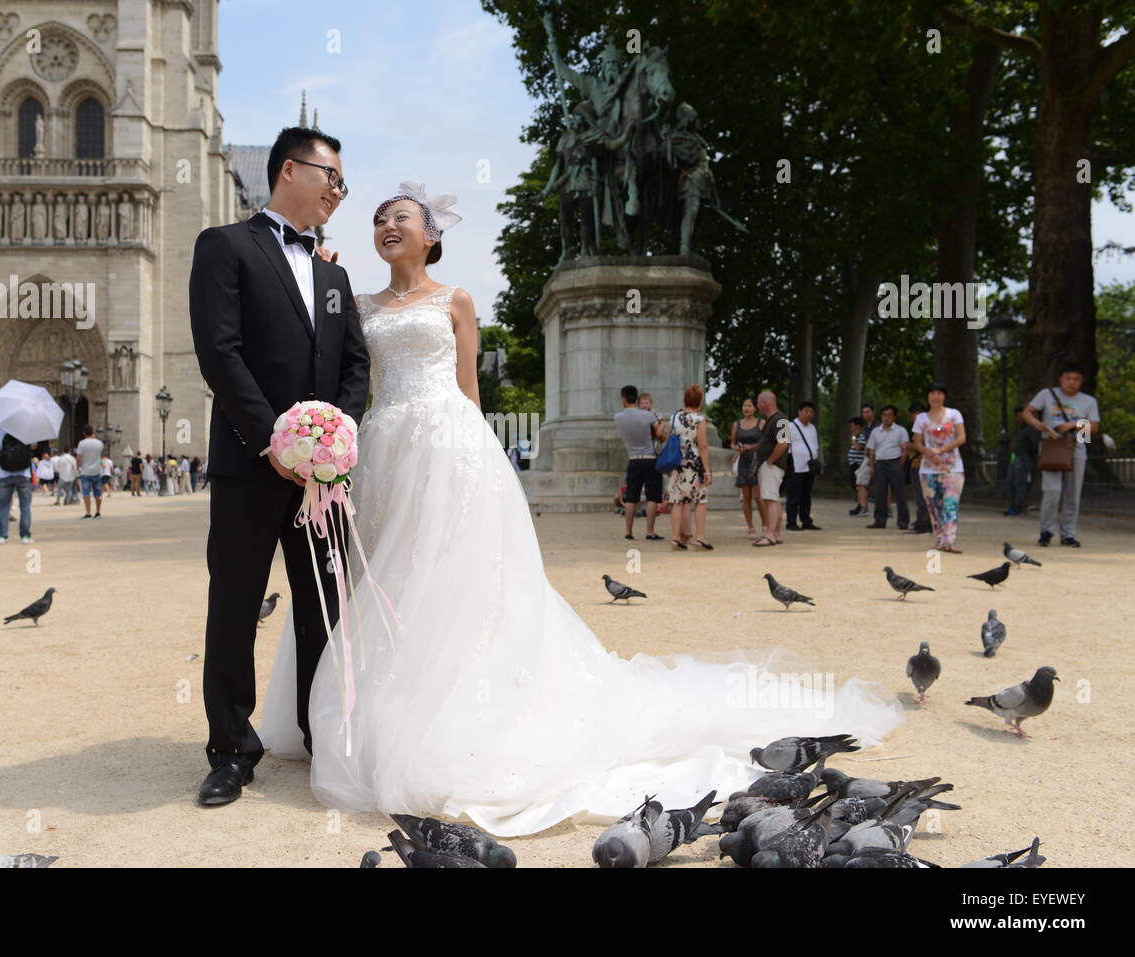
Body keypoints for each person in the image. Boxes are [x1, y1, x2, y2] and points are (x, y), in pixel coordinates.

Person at [256, 183, 902, 836]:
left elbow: (469, 390)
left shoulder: (456, 299)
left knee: (451, 578)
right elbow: (329, 362)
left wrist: (480, 464)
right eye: (378, 220)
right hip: (384, 448)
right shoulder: (357, 302)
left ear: (431, 235)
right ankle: (369, 712)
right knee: (380, 577)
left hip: (449, 447)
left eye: (400, 217)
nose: (386, 225)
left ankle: (453, 713)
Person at [189, 124, 370, 806]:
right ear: (291, 170)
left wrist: (333, 439)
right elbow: (220, 352)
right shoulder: (224, 246)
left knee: (325, 606)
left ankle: (323, 731)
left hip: (324, 479)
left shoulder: (334, 274)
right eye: (334, 178)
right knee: (234, 606)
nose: (339, 192)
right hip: (249, 463)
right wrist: (277, 442)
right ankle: (232, 747)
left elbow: (353, 364)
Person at [1022, 364, 1100, 547]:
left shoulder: (1088, 401)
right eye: (1068, 378)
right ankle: (1046, 530)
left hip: (1076, 445)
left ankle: (1068, 533)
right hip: (1052, 445)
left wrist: (1073, 425)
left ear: (1081, 381)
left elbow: (1093, 428)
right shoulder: (1047, 394)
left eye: (1076, 379)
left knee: (1073, 493)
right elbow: (1027, 412)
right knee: (1052, 490)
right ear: (1061, 379)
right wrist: (1038, 424)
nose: (1071, 382)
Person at [912, 383, 967, 552]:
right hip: (929, 468)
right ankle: (940, 538)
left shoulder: (954, 414)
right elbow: (917, 442)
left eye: (939, 393)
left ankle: (950, 540)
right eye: (932, 393)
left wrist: (941, 450)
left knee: (951, 504)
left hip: (952, 467)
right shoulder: (921, 418)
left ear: (944, 396)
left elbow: (961, 437)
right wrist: (930, 453)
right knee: (933, 506)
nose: (935, 397)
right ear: (928, 396)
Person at [614, 385, 666, 541]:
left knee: (631, 498)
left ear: (623, 399)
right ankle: (650, 532)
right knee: (652, 497)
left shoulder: (618, 417)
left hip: (633, 459)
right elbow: (660, 435)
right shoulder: (647, 416)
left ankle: (628, 532)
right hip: (650, 459)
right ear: (636, 399)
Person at [665, 384, 713, 550]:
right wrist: (707, 470)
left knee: (677, 500)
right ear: (699, 402)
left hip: (678, 463)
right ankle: (700, 538)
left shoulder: (674, 417)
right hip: (695, 465)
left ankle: (675, 538)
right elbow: (703, 446)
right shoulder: (700, 420)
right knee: (700, 500)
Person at [752, 391, 790, 547]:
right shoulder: (774, 420)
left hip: (772, 466)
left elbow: (783, 443)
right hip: (771, 465)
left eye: (759, 403)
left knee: (770, 499)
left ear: (765, 403)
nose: (758, 406)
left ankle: (769, 535)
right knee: (772, 499)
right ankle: (776, 533)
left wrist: (770, 461)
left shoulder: (781, 419)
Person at [864, 405, 909, 529]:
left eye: (889, 415)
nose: (886, 418)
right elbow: (872, 450)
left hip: (895, 462)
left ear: (894, 417)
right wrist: (872, 466)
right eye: (884, 415)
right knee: (880, 493)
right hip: (880, 463)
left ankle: (903, 522)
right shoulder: (875, 431)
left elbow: (905, 449)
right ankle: (879, 520)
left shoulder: (901, 430)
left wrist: (901, 463)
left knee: (900, 493)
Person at [0, 428, 35, 544]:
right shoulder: (26, 431)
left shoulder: (0, 433)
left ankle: (2, 536)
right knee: (25, 506)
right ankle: (25, 536)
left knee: (4, 506)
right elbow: (33, 447)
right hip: (23, 473)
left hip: (4, 473)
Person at [729, 396, 764, 540]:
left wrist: (752, 447)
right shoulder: (737, 424)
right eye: (744, 406)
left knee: (758, 496)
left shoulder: (762, 423)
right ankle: (750, 527)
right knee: (746, 497)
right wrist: (738, 448)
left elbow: (765, 442)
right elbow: (732, 443)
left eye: (749, 406)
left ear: (755, 408)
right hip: (743, 460)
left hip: (757, 460)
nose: (746, 408)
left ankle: (766, 525)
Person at [784, 401, 821, 531]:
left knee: (806, 495)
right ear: (799, 411)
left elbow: (815, 446)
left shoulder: (812, 428)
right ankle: (791, 522)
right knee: (793, 495)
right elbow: (782, 446)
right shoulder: (788, 426)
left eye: (811, 412)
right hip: (795, 466)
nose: (809, 414)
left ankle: (806, 520)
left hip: (809, 467)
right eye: (806, 411)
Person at [901, 402, 932, 536]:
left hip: (919, 465)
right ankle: (927, 523)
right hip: (920, 464)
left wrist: (908, 445)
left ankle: (922, 524)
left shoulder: (923, 427)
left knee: (921, 497)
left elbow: (921, 445)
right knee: (925, 496)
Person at [1005, 407, 1038, 516]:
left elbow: (1035, 446)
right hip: (1015, 456)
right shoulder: (1019, 429)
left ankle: (1018, 506)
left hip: (1024, 458)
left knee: (1020, 483)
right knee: (1011, 482)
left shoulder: (1030, 429)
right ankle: (1013, 504)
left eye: (1020, 416)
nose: (1017, 419)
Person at [849, 404, 878, 515]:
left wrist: (853, 438)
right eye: (864, 412)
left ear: (873, 412)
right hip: (867, 457)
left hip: (869, 458)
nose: (866, 414)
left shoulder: (875, 427)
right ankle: (862, 506)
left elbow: (859, 447)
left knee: (861, 482)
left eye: (868, 412)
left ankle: (864, 507)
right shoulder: (868, 428)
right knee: (861, 482)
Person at [76, 424, 106, 519]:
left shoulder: (81, 443)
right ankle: (98, 512)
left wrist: (78, 467)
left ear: (84, 433)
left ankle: (88, 513)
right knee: (98, 493)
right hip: (97, 470)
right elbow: (100, 456)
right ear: (93, 432)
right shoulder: (99, 443)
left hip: (85, 471)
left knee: (86, 493)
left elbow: (78, 457)